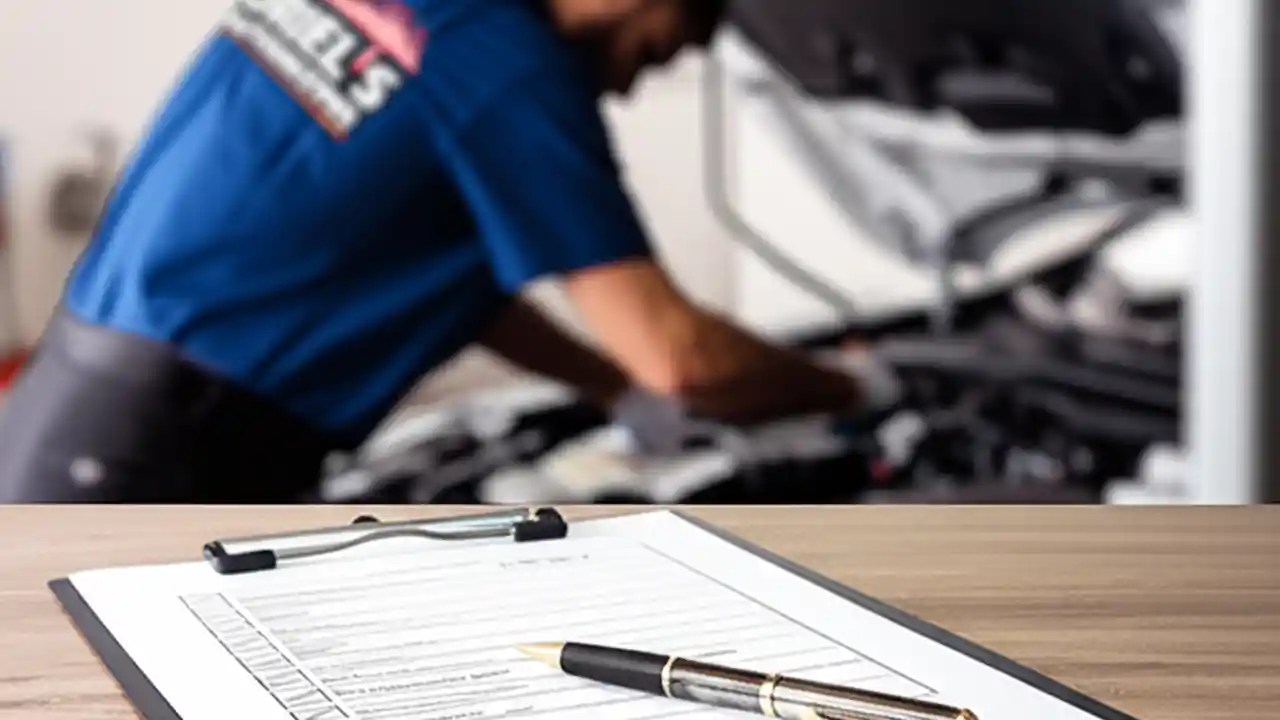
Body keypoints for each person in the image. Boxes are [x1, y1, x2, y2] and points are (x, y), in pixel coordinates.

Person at [0, 0, 865, 503]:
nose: (634, 82)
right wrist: (856, 386)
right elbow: (682, 359)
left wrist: (609, 385)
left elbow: (445, 278)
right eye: (661, 44)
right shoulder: (506, 65)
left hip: (69, 412)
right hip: (159, 460)